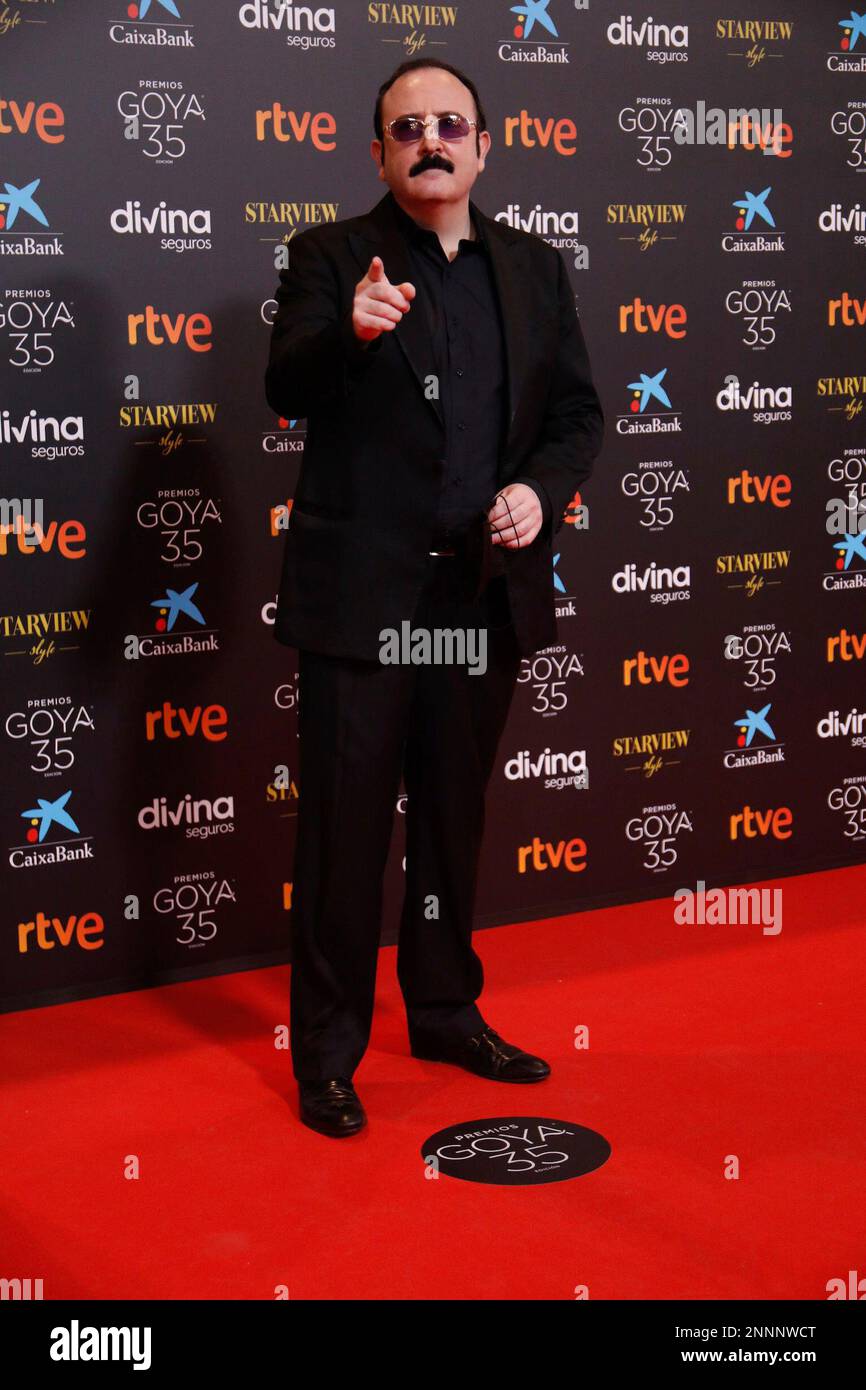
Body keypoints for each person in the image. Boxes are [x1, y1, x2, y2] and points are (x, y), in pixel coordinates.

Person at [264, 57, 604, 1138]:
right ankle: (324, 1053)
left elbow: (574, 418)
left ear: (481, 144)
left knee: (451, 821)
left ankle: (447, 1010)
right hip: (364, 602)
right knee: (342, 834)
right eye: (405, 127)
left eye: (447, 123)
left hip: (475, 598)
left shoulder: (537, 269)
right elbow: (285, 389)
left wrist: (535, 495)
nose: (429, 140)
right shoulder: (327, 259)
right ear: (378, 153)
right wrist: (350, 334)